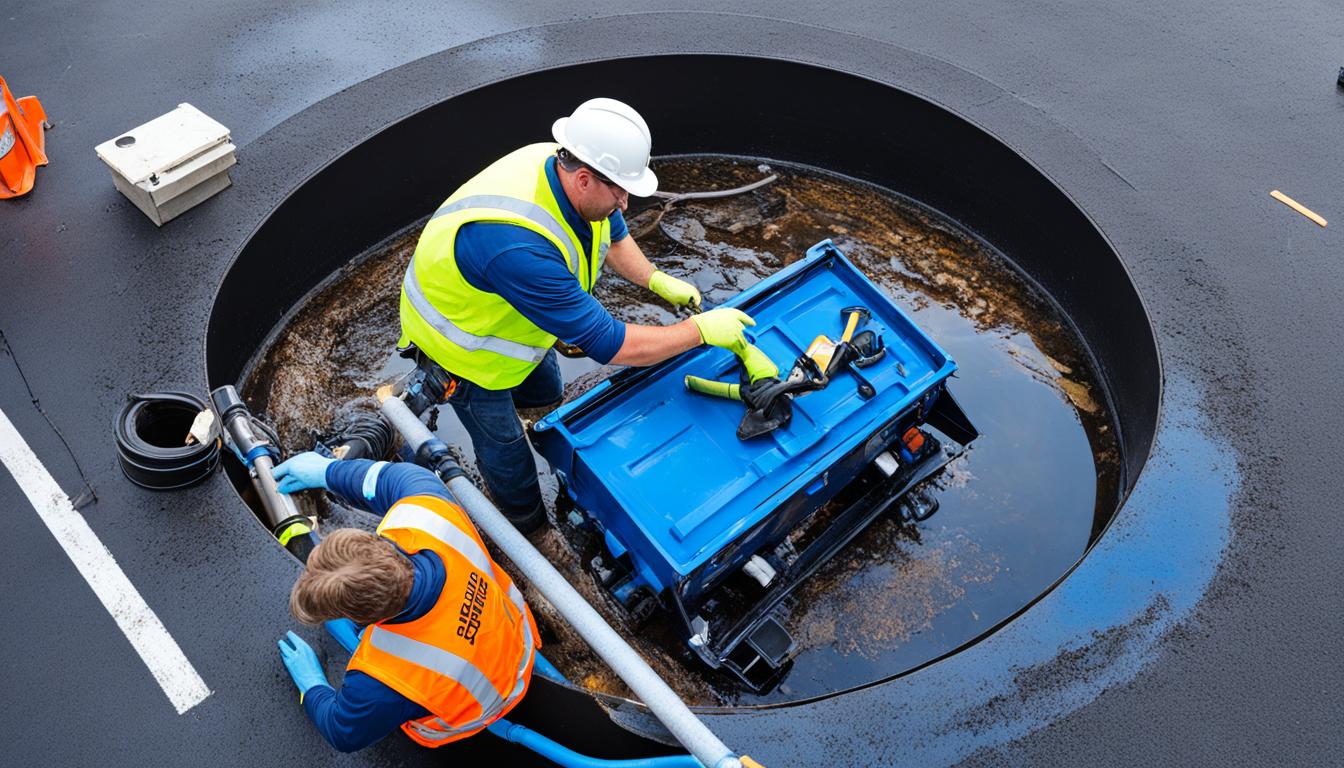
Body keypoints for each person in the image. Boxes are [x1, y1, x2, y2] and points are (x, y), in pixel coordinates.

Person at [396, 97, 760, 534]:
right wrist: (698, 331)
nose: (626, 202)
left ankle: (544, 432)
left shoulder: (564, 172)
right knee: (505, 446)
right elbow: (611, 344)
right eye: (620, 191)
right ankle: (529, 528)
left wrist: (655, 279)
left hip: (517, 322)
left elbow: (613, 233)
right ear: (585, 178)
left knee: (547, 391)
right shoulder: (516, 246)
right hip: (464, 351)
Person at [270, 451, 538, 752]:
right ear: (378, 541)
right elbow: (386, 478)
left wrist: (313, 684)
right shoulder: (428, 514)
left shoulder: (380, 683)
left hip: (480, 709)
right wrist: (327, 471)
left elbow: (341, 732)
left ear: (364, 619)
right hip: (517, 635)